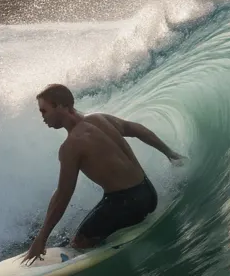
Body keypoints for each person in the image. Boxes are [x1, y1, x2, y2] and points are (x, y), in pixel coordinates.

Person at [24, 83, 184, 264]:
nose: (42, 117)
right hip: (147, 193)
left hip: (125, 204)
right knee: (97, 219)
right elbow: (137, 129)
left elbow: (63, 194)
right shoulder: (100, 118)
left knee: (78, 244)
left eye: (44, 111)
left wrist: (41, 239)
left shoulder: (71, 147)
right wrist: (170, 153)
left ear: (61, 106)